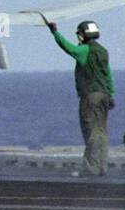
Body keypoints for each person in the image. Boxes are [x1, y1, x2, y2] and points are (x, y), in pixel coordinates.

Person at [47, 18, 114, 176]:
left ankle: (90, 168)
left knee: (90, 131)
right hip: (104, 95)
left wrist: (55, 32)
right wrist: (110, 94)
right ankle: (101, 166)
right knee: (101, 132)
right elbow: (108, 74)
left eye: (79, 34)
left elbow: (68, 48)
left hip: (90, 96)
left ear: (83, 35)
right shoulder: (103, 51)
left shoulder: (85, 50)